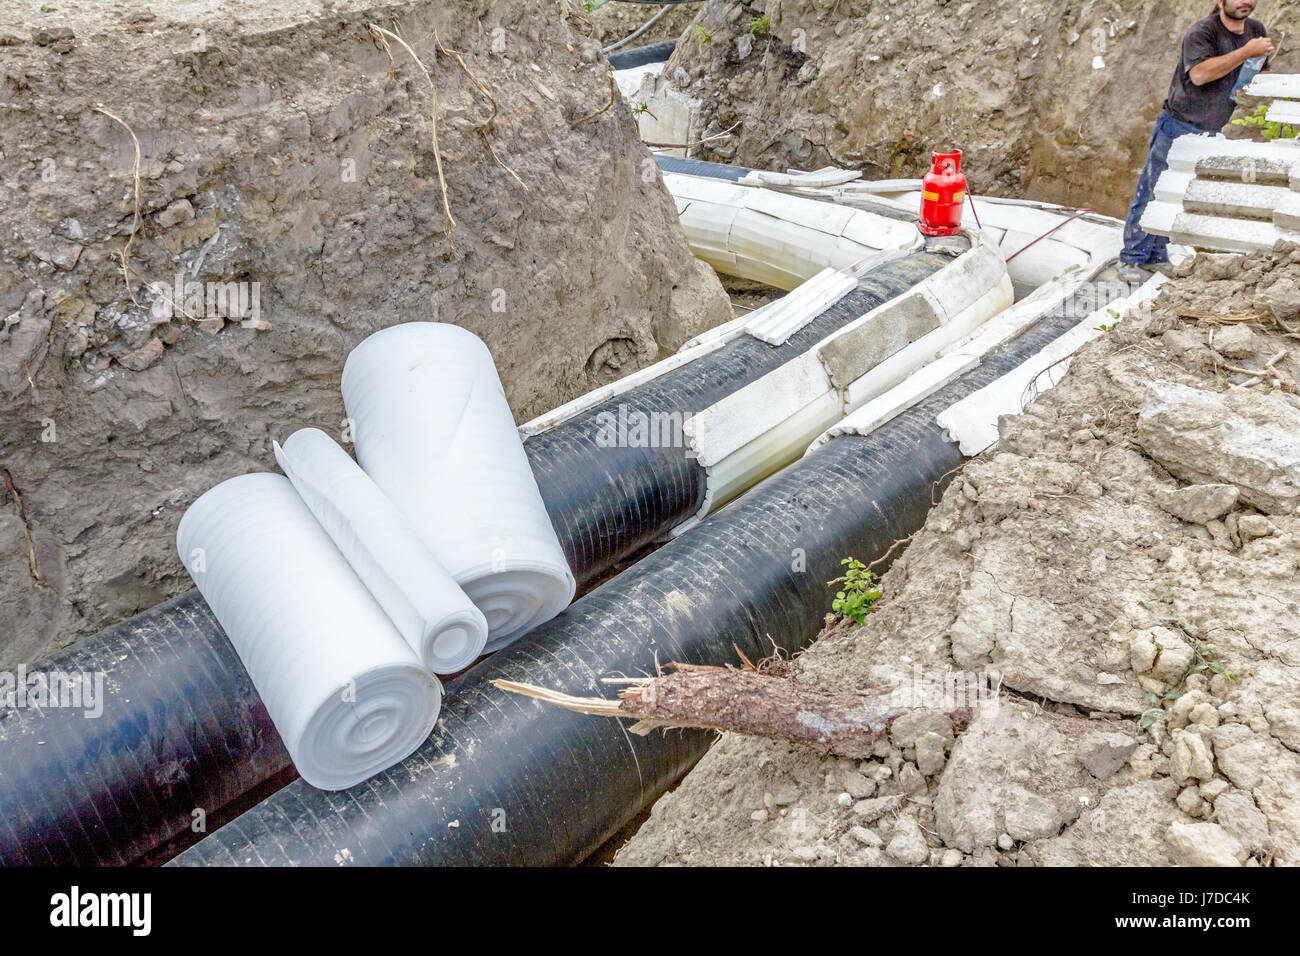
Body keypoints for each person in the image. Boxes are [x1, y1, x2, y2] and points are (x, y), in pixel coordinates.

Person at [1120, 1, 1274, 281]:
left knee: (1177, 196)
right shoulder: (1203, 31)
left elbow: (1261, 70)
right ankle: (1132, 258)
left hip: (1212, 130)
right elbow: (1200, 75)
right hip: (1179, 125)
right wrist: (1246, 52)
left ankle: (1156, 256)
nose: (1246, 2)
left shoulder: (1255, 30)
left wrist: (1254, 83)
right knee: (1153, 191)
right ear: (1221, 1)